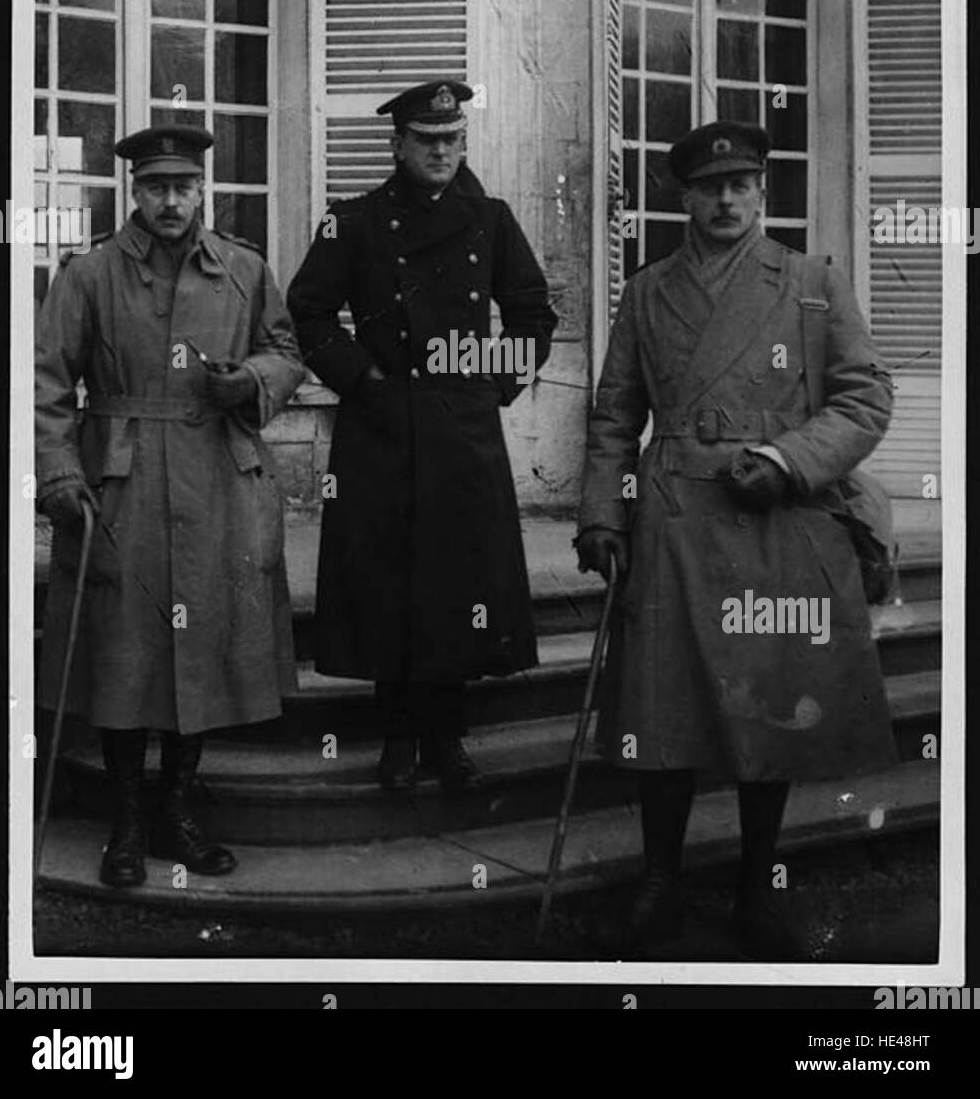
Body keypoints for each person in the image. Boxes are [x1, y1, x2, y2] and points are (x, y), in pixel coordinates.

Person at [575, 120, 896, 959]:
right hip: (676, 517)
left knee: (774, 703)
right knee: (662, 703)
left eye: (741, 185)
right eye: (710, 186)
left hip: (777, 521)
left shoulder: (812, 283)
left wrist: (789, 460)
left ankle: (758, 888)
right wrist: (602, 514)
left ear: (762, 192)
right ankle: (659, 883)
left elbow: (864, 399)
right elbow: (615, 415)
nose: (725, 200)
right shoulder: (647, 293)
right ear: (684, 196)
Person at [36, 125, 305, 888]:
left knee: (205, 650)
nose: (170, 201)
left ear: (202, 191)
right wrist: (57, 475)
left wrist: (249, 380)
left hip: (220, 476)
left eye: (183, 187)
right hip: (121, 480)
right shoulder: (89, 274)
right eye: (155, 187)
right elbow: (45, 380)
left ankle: (177, 812)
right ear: (135, 192)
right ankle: (126, 821)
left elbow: (287, 350)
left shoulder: (245, 269)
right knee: (126, 654)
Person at [287, 80, 557, 791]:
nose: (441, 151)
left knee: (459, 580)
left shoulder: (491, 221)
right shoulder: (356, 221)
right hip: (380, 425)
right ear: (397, 145)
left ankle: (448, 736)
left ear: (464, 142)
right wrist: (363, 380)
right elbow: (307, 311)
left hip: (460, 427)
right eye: (426, 140)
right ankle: (398, 737)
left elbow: (532, 312)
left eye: (452, 139)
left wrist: (491, 382)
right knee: (388, 582)